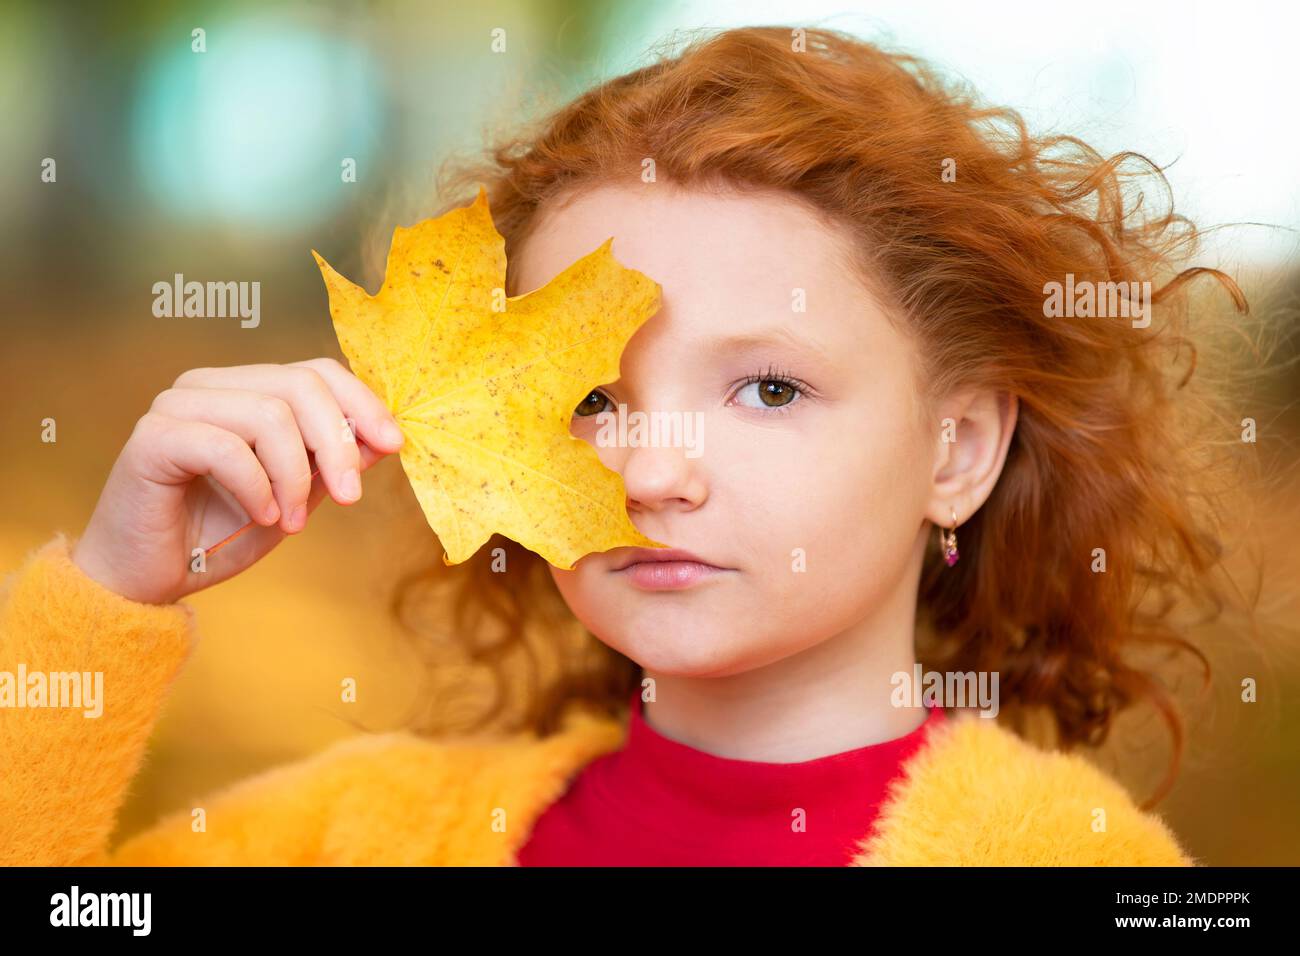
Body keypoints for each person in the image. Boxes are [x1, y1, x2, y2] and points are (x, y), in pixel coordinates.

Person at [2, 25, 1257, 866]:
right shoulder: (367, 830)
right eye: (592, 402)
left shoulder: (1069, 858)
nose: (652, 469)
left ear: (958, 448)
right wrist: (108, 599)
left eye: (768, 387)